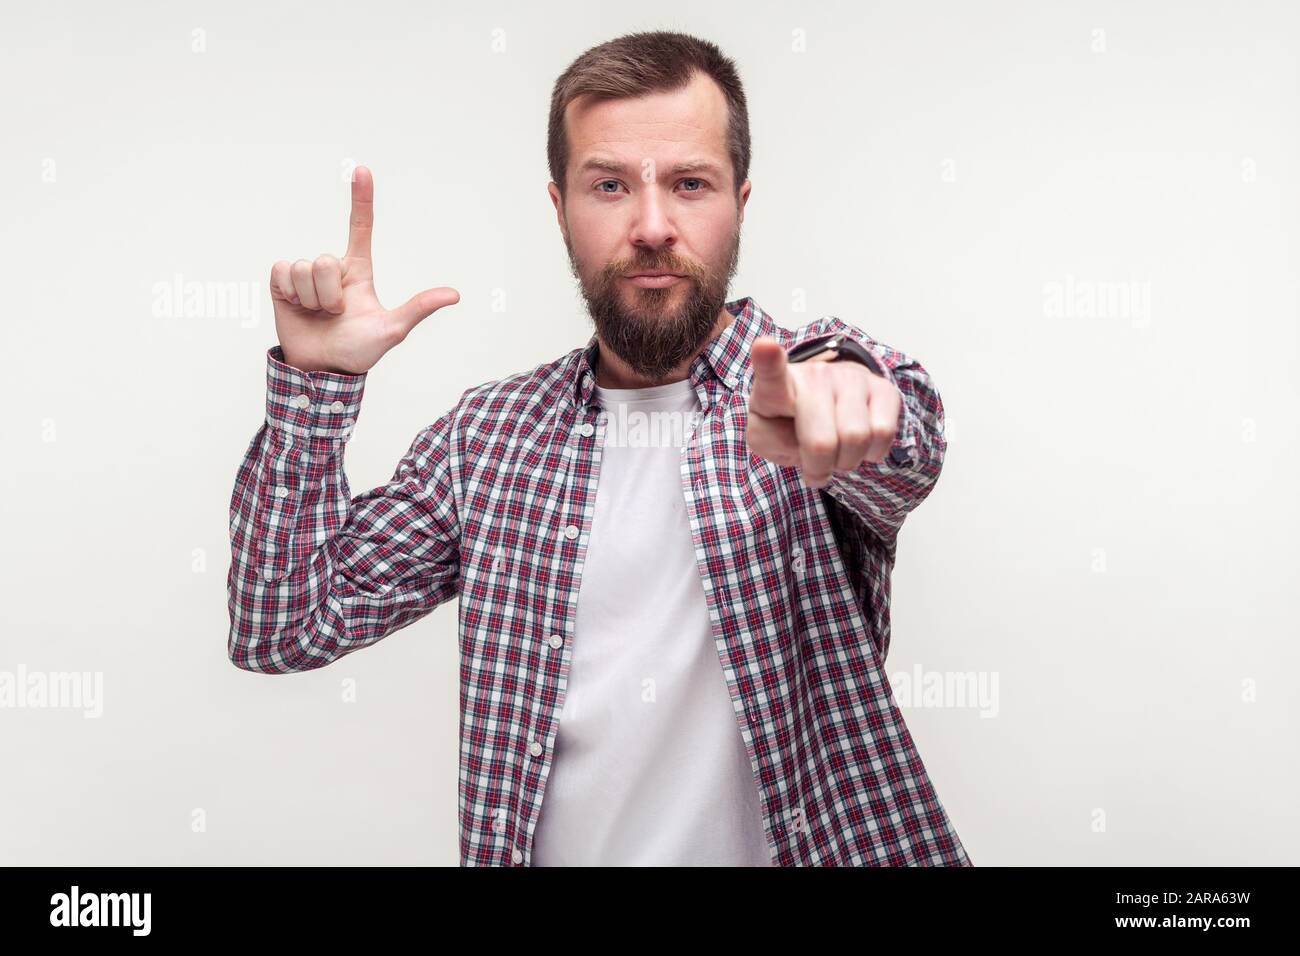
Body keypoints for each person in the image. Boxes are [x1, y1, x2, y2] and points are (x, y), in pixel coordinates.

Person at [227, 29, 971, 867]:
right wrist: (313, 389)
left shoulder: (808, 388)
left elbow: (902, 436)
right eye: (610, 185)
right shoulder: (488, 442)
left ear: (741, 202)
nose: (652, 226)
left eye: (690, 184)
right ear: (559, 208)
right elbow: (280, 625)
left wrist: (851, 401)